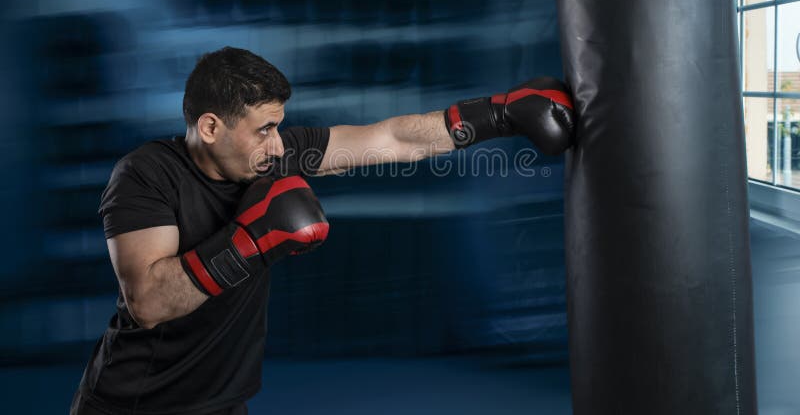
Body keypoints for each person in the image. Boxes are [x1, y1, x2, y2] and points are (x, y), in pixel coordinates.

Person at [70, 46, 575, 414]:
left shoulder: (273, 158)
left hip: (221, 403)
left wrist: (500, 116)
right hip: (135, 404)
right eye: (263, 129)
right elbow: (151, 302)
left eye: (279, 127)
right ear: (209, 127)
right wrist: (249, 242)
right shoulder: (145, 175)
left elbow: (393, 138)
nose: (276, 146)